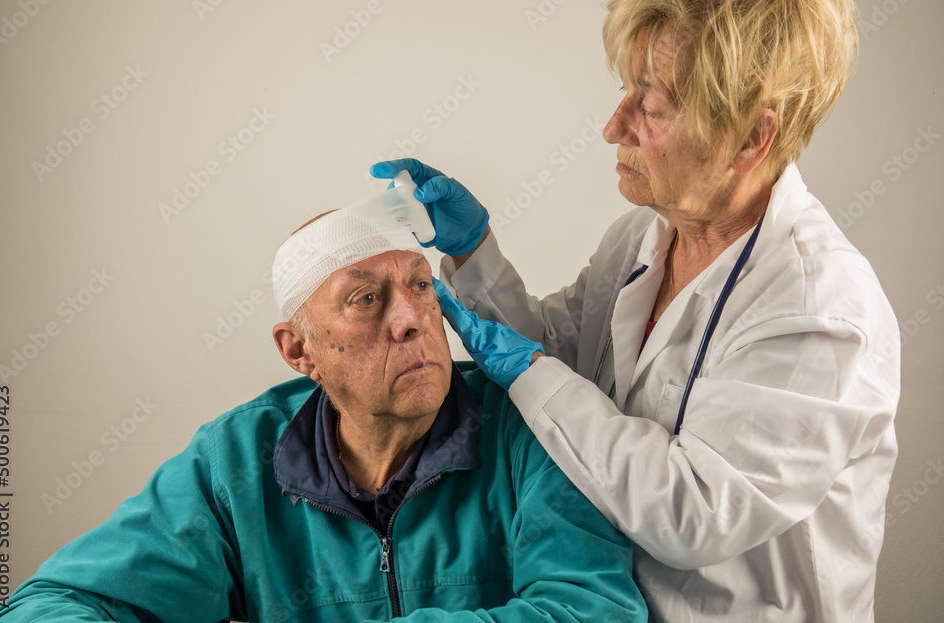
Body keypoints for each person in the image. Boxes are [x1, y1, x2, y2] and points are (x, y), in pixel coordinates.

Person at [370, 0, 901, 620]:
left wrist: (527, 371)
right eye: (626, 91)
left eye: (650, 107)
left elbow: (693, 515)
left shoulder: (818, 306)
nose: (613, 126)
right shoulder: (644, 236)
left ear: (752, 138)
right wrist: (474, 253)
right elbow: (560, 358)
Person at [0, 209, 650, 622]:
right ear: (296, 348)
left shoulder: (529, 428)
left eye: (421, 285)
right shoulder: (236, 461)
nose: (412, 319)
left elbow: (592, 608)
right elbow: (62, 599)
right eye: (366, 298)